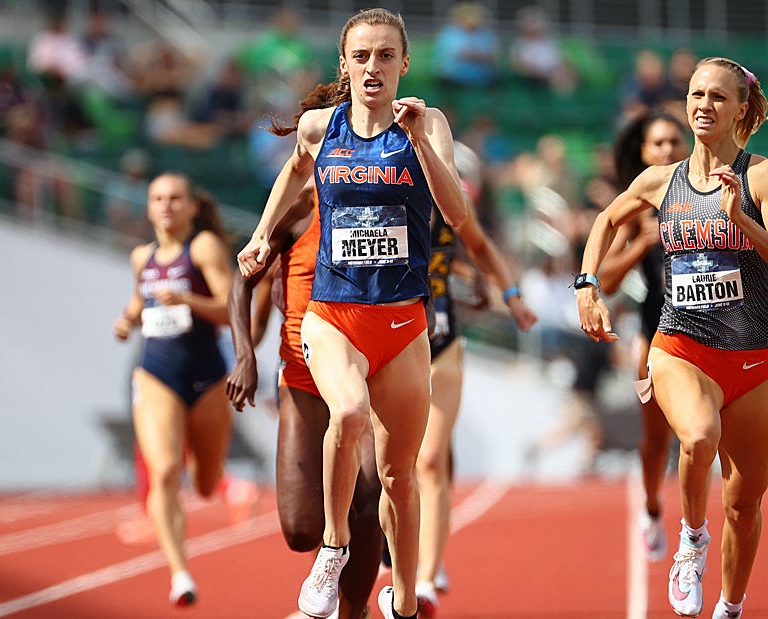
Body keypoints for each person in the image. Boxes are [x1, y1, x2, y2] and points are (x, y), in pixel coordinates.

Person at [236, 9, 470, 619]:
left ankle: (407, 601)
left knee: (398, 478)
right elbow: (294, 170)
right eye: (361, 56)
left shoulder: (429, 123)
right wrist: (261, 236)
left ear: (404, 63)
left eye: (385, 55)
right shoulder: (320, 125)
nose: (373, 67)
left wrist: (418, 137)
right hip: (333, 316)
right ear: (344, 64)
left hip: (402, 324)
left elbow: (457, 214)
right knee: (349, 409)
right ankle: (334, 547)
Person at [576, 57, 768, 619]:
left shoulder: (763, 175)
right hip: (681, 346)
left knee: (745, 506)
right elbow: (605, 219)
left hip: (754, 360)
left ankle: (730, 605)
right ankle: (690, 540)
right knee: (698, 435)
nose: (703, 104)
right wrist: (586, 285)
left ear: (741, 109)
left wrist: (743, 221)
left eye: (718, 97)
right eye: (696, 94)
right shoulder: (660, 180)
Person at [226, 181, 387, 619]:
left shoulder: (386, 195)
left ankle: (354, 610)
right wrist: (246, 356)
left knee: (369, 497)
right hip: (304, 372)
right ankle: (335, 555)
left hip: (369, 371)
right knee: (300, 529)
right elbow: (239, 282)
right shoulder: (297, 209)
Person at [413, 141, 539, 616]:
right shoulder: (380, 206)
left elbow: (482, 248)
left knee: (430, 461)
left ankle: (426, 577)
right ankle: (404, 544)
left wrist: (511, 295)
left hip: (443, 341)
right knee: (395, 465)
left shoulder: (451, 208)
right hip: (392, 345)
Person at [112, 173, 238, 608]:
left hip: (206, 378)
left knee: (204, 484)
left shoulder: (202, 248)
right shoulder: (140, 256)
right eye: (158, 199)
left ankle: (208, 488)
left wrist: (188, 302)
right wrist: (127, 321)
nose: (166, 206)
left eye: (175, 198)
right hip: (156, 374)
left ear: (192, 207)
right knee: (164, 471)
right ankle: (180, 573)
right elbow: (139, 298)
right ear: (148, 208)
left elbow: (229, 308)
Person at [595, 109, 690, 561]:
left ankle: (697, 530)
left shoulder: (706, 193)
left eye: (676, 141)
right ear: (644, 152)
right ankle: (652, 508)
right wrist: (641, 246)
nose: (669, 150)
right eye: (659, 143)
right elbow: (606, 280)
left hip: (710, 331)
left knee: (699, 437)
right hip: (653, 335)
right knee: (656, 438)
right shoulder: (637, 207)